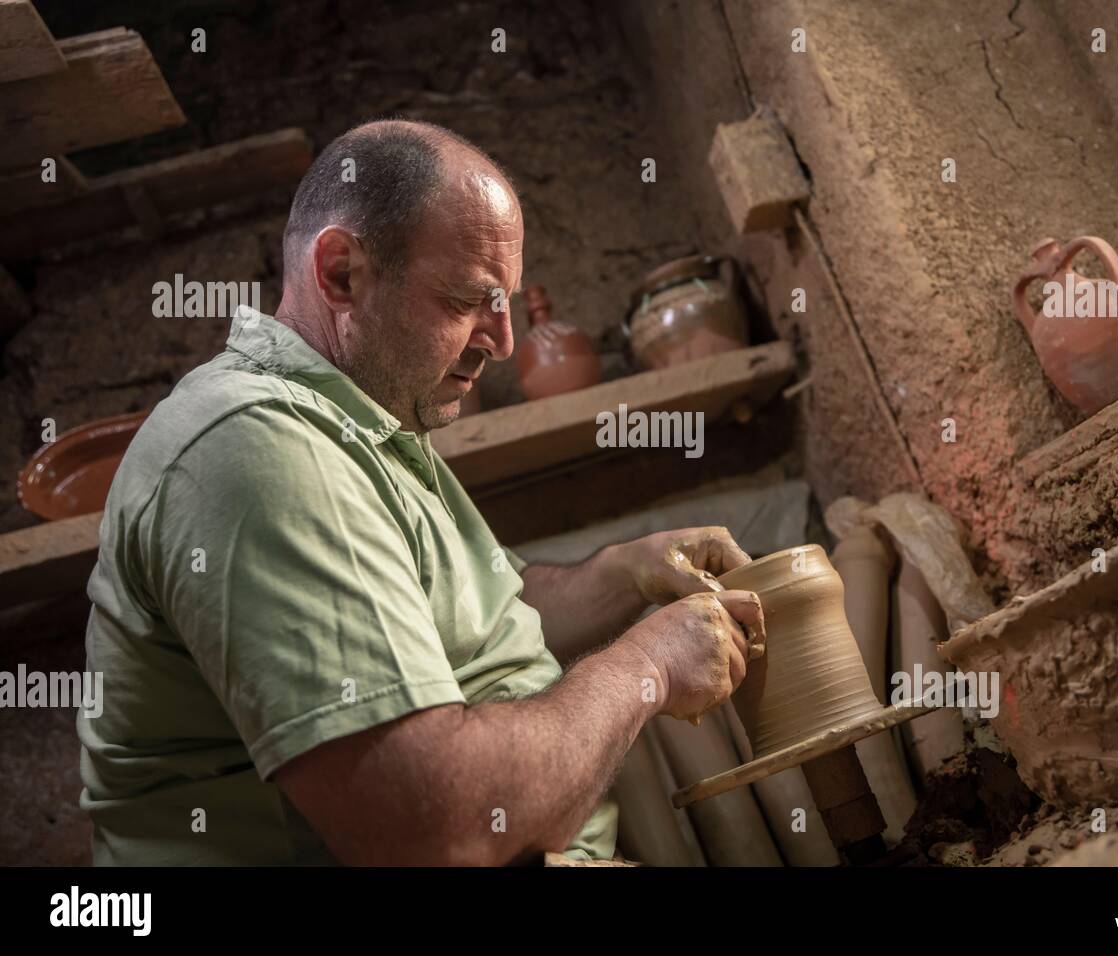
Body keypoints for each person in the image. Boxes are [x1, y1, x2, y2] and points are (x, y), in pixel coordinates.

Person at [78, 120, 765, 865]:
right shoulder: (255, 448)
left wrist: (626, 571)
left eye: (505, 302)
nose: (501, 342)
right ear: (341, 274)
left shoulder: (360, 418)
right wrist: (647, 667)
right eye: (471, 300)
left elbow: (482, 615)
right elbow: (432, 830)